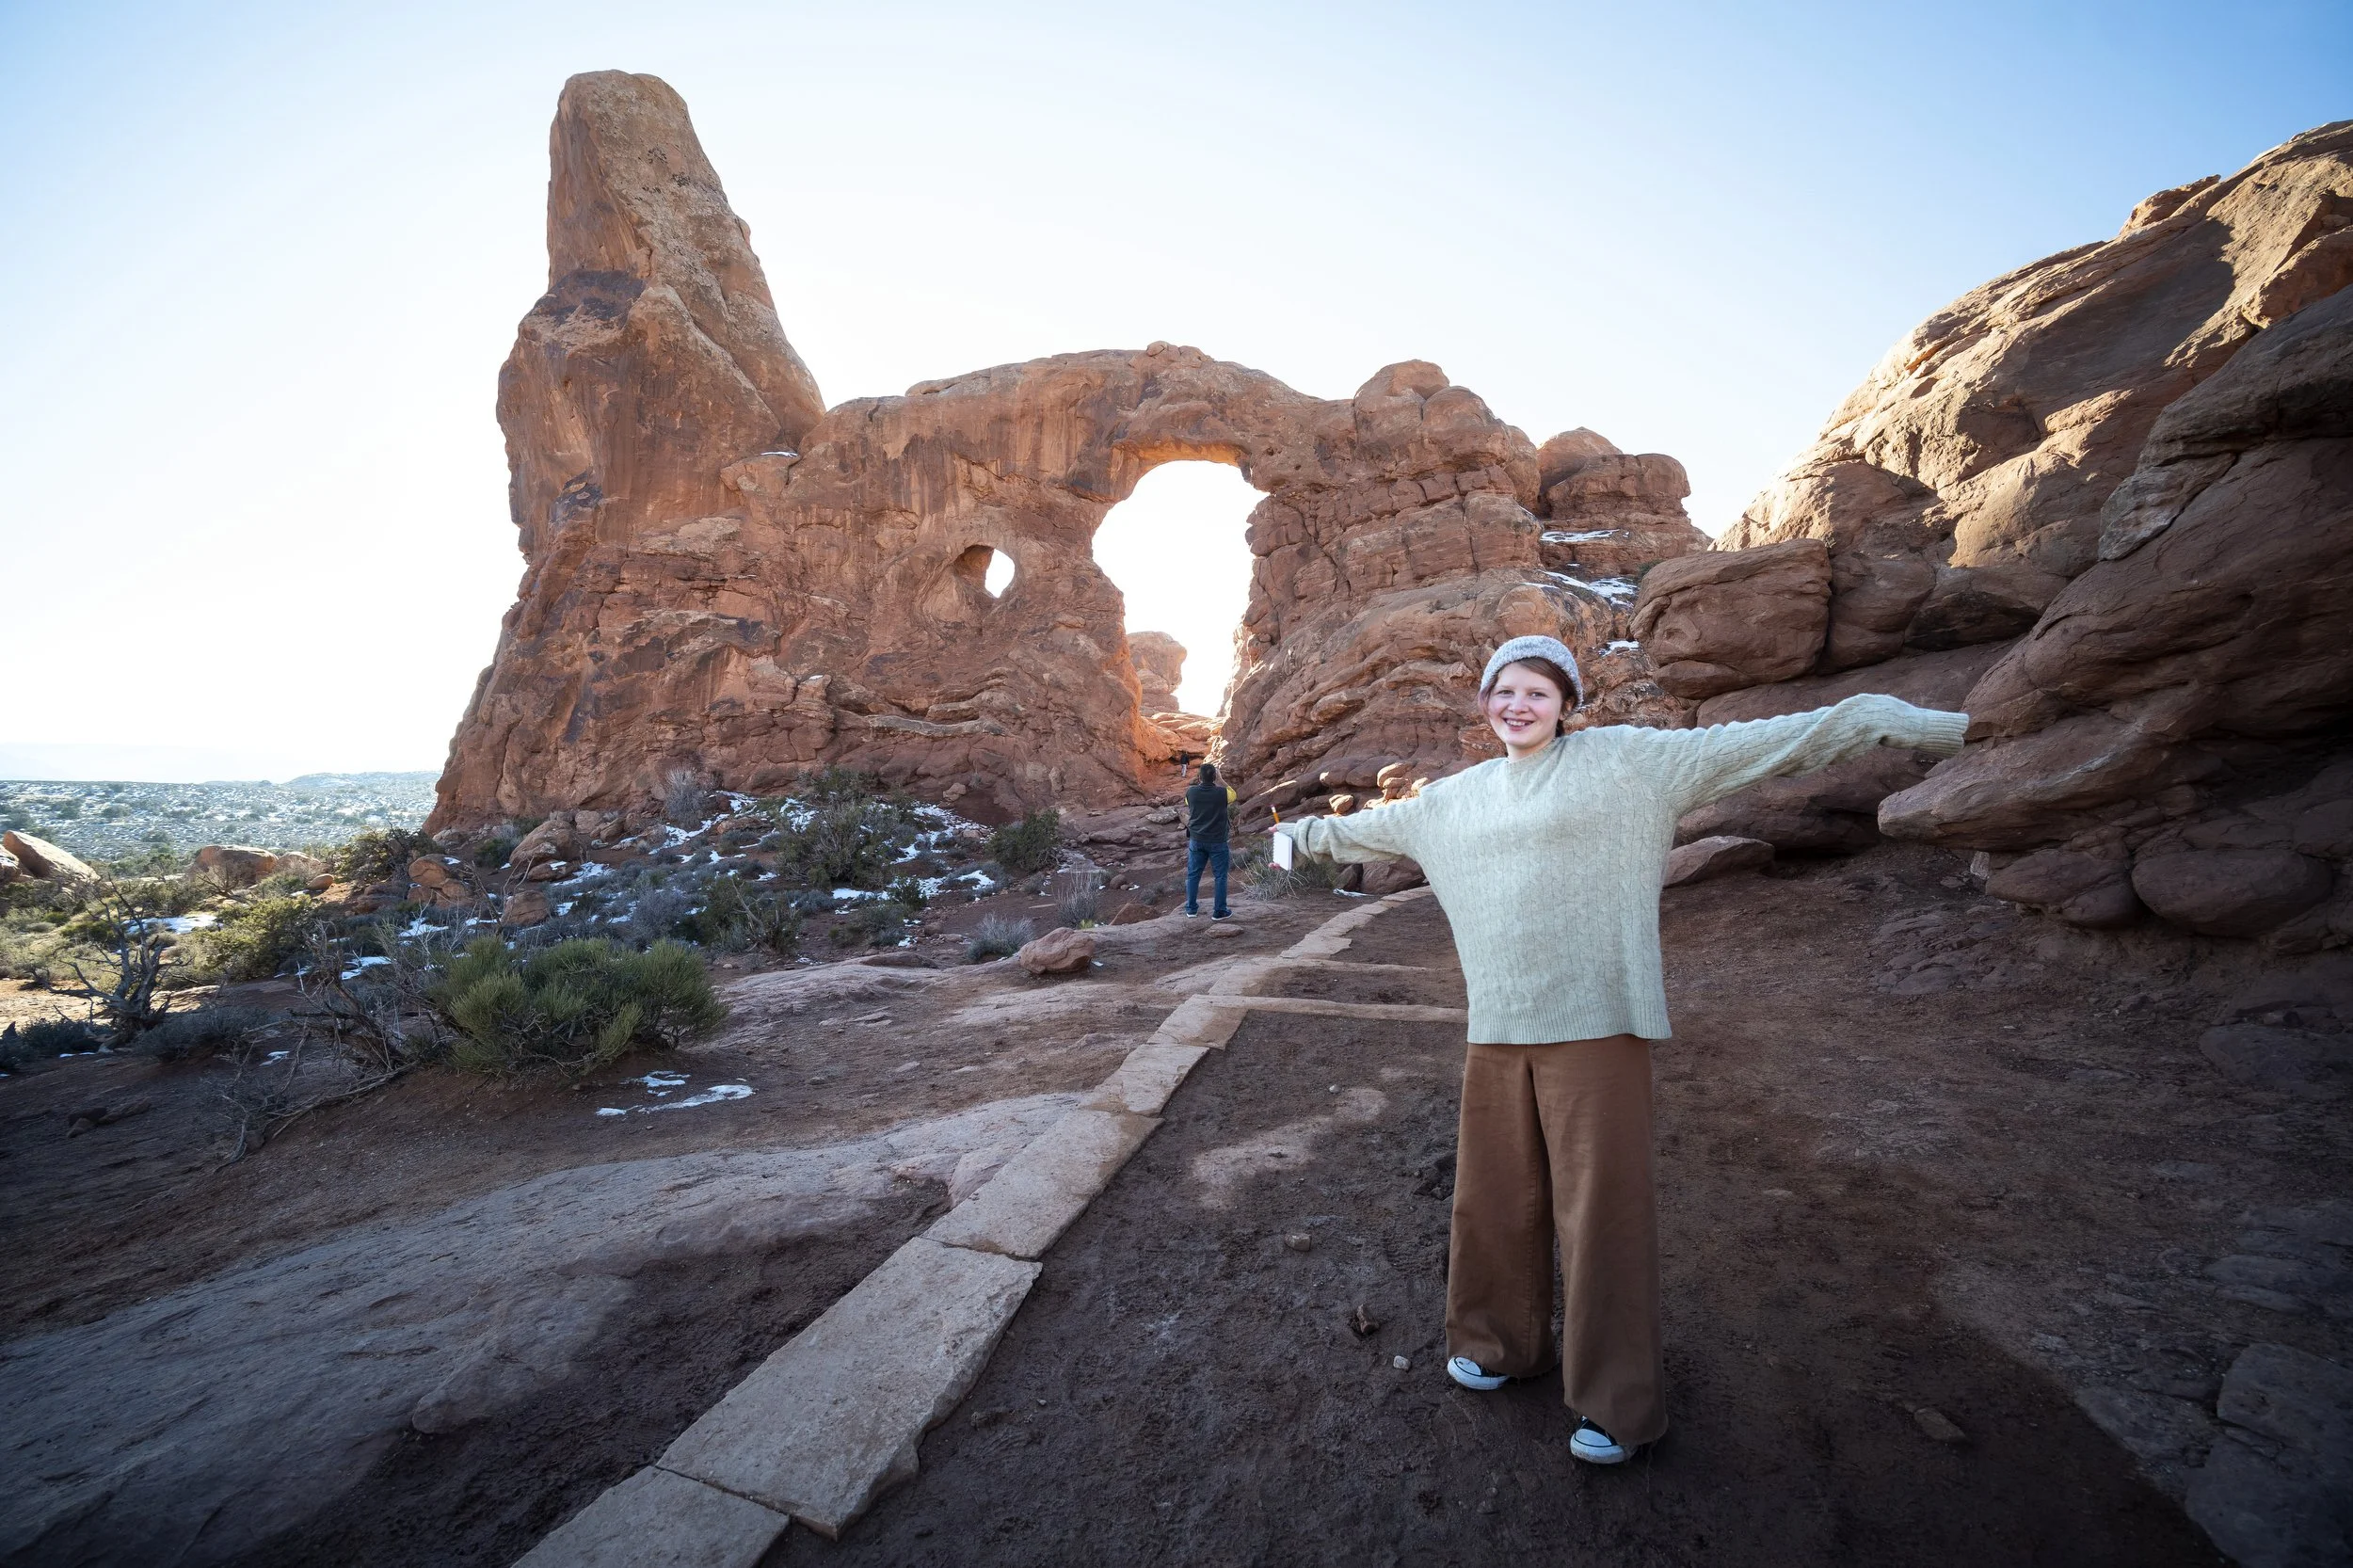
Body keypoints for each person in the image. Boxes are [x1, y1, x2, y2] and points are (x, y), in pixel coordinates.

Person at [1272, 633, 1968, 1466]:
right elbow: (1362, 834)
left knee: (1602, 1214)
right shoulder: (1454, 799)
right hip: (1497, 1026)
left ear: (1566, 703)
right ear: (1485, 703)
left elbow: (1767, 743)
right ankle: (1497, 1343)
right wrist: (1293, 842)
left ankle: (1614, 1401)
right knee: (1492, 1198)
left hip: (1598, 1023)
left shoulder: (1632, 761)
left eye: (1537, 692)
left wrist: (1894, 720)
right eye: (1503, 691)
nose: (1517, 706)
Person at [1183, 761, 1239, 920]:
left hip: (1196, 839)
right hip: (1217, 841)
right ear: (1214, 776)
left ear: (1199, 778)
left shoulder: (1191, 793)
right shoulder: (1223, 793)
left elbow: (1188, 803)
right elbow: (1233, 794)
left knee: (1193, 875)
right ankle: (1219, 911)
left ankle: (1191, 909)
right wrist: (1221, 779)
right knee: (1220, 876)